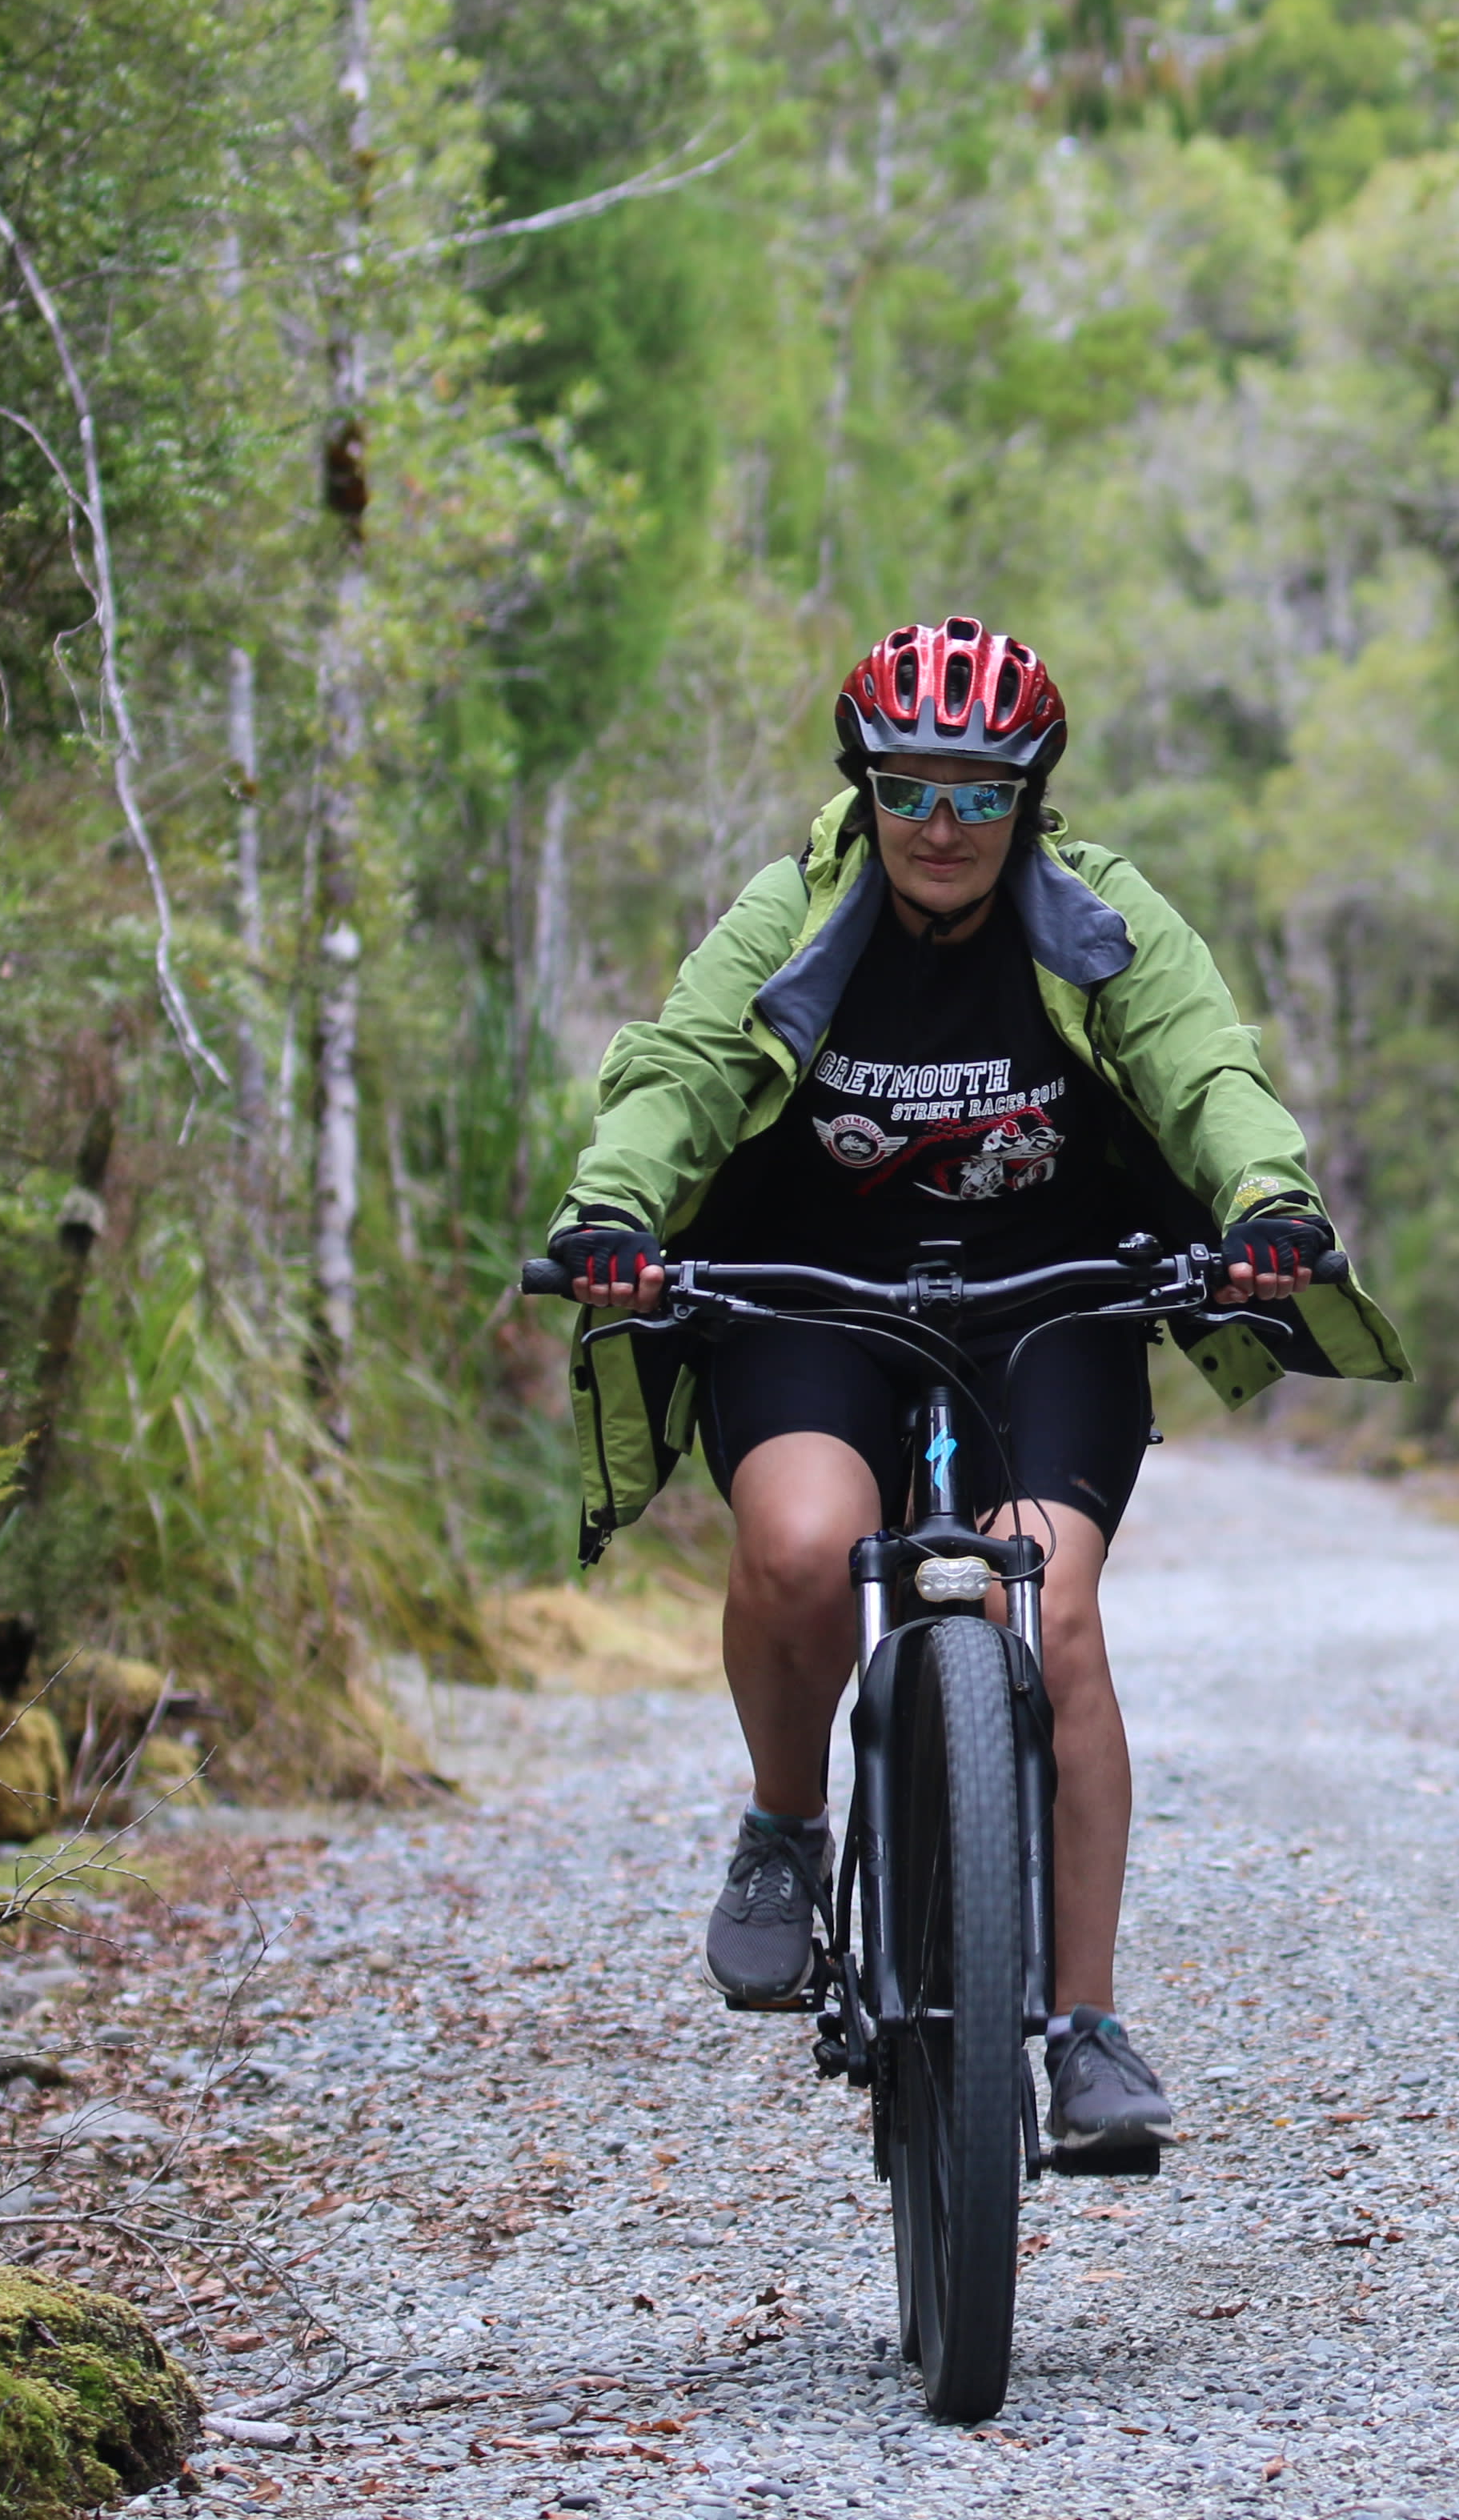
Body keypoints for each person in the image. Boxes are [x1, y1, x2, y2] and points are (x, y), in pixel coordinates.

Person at [543, 617, 1406, 2166]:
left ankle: (1084, 2030)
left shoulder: (1100, 915)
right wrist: (612, 1214)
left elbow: (1206, 1066)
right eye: (911, 790)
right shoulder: (794, 913)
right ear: (863, 787)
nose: (943, 828)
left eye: (981, 794)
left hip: (1048, 1302)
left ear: (1033, 796)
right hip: (810, 1297)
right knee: (805, 1547)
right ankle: (786, 1827)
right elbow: (679, 1070)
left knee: (1046, 1607)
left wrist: (1267, 1204)